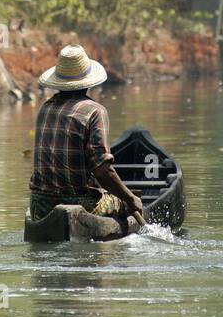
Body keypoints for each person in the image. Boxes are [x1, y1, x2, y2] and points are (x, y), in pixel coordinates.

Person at [28, 44, 144, 226]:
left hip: (40, 206)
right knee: (122, 201)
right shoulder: (94, 111)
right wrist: (130, 199)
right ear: (88, 82)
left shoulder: (45, 108)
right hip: (81, 204)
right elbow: (102, 170)